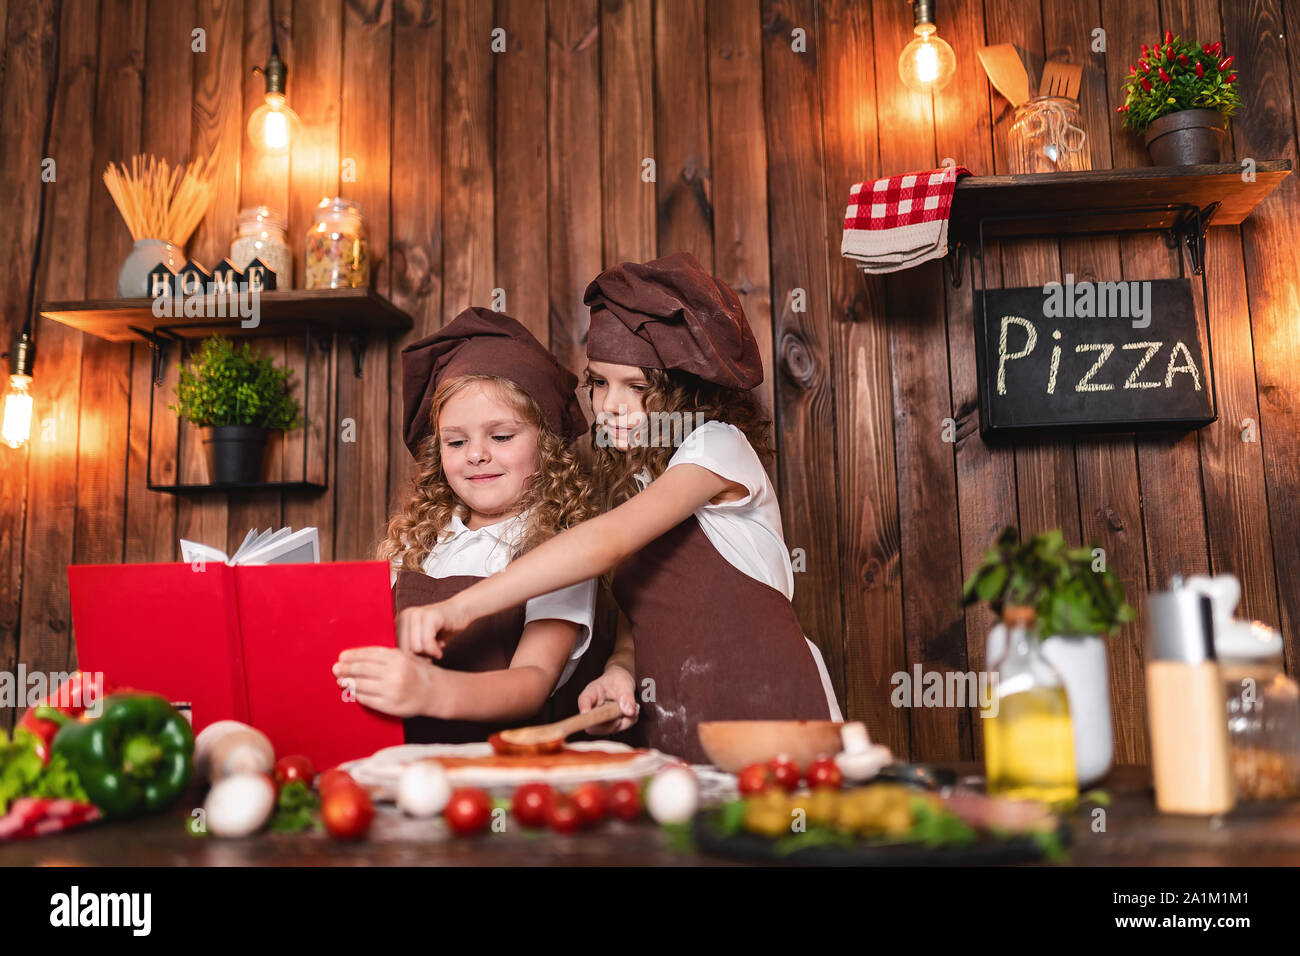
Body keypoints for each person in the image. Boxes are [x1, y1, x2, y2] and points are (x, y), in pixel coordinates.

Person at [395, 254, 841, 763]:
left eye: (637, 387)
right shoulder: (647, 486)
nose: (610, 405)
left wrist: (462, 605)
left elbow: (606, 542)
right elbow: (636, 624)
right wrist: (619, 672)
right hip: (674, 725)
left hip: (770, 709)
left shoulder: (718, 449)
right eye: (600, 382)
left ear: (686, 391)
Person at [333, 307, 598, 743]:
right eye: (456, 441)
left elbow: (532, 682)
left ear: (548, 445)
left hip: (498, 771)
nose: (476, 454)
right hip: (402, 760)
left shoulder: (560, 551)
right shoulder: (417, 543)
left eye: (501, 436)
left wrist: (430, 691)